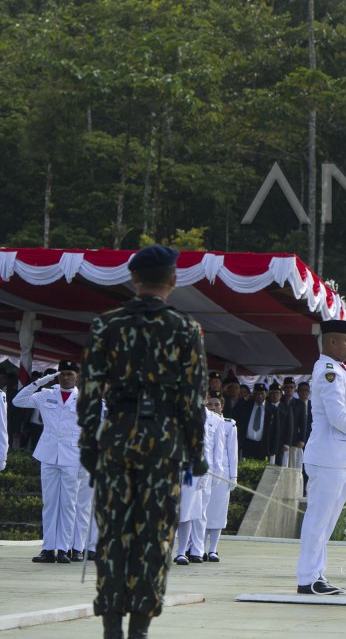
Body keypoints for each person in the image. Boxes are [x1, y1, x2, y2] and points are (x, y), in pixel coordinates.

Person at [78, 244, 208, 639]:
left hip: (116, 438)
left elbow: (88, 391)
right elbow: (194, 398)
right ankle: (139, 630)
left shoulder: (106, 325)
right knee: (154, 537)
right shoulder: (186, 329)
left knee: (114, 533)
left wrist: (89, 445)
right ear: (172, 279)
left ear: (133, 279)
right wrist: (196, 451)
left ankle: (112, 628)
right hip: (164, 442)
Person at [295, 319, 346, 595]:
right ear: (332, 342)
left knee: (326, 522)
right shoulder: (328, 373)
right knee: (318, 519)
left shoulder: (340, 370)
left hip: (338, 458)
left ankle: (316, 574)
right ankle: (307, 577)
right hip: (327, 457)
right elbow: (338, 417)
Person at [14, 359, 83, 564]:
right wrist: (43, 380)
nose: (65, 377)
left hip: (73, 456)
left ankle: (63, 549)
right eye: (62, 373)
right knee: (50, 503)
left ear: (77, 377)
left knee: (68, 504)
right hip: (49, 454)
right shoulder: (46, 395)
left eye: (69, 373)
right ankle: (48, 549)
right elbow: (18, 400)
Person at [174, 393, 224, 565]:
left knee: (192, 512)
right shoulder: (177, 413)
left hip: (198, 471)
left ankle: (189, 551)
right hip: (175, 467)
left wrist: (216, 471)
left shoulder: (215, 419)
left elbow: (218, 449)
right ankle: (174, 549)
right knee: (173, 510)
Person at [204, 395, 238, 562]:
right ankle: (199, 548)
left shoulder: (229, 424)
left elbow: (233, 452)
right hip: (205, 471)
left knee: (218, 513)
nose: (213, 407)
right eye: (209, 404)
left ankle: (213, 549)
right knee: (203, 511)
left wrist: (234, 476)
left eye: (216, 404)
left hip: (222, 473)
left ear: (222, 407)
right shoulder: (204, 422)